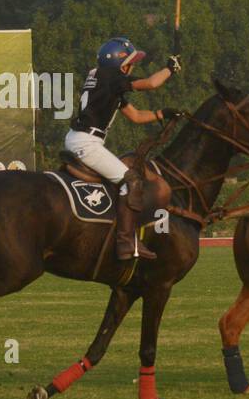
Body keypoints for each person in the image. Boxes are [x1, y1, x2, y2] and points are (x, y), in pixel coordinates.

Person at [65, 37, 181, 261]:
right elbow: (151, 83)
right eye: (130, 63)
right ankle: (126, 242)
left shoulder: (104, 82)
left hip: (79, 138)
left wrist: (161, 113)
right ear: (119, 64)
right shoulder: (110, 77)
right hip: (86, 142)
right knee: (132, 181)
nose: (132, 68)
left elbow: (136, 116)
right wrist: (170, 69)